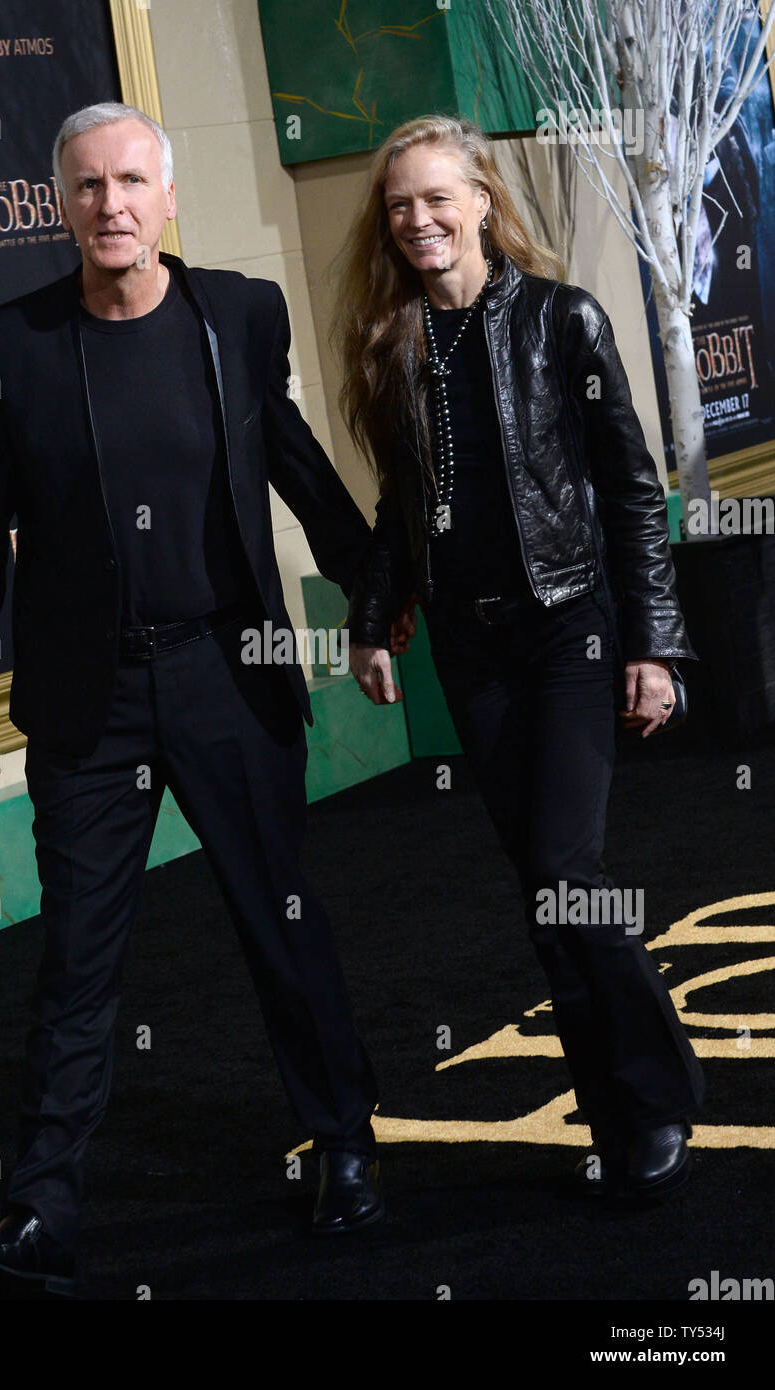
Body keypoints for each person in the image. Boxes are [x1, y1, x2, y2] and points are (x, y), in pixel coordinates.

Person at [0, 102, 383, 1296]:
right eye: (88, 185)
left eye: (132, 181)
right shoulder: (9, 344)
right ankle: (42, 1205)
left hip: (226, 673)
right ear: (61, 204)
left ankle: (344, 1145)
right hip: (90, 700)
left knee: (281, 921)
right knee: (77, 955)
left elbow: (293, 463)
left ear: (167, 198)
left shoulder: (237, 313)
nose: (111, 204)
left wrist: (374, 597)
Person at [338, 114, 705, 1200]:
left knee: (565, 868)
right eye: (400, 205)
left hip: (570, 630)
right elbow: (400, 505)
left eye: (436, 198)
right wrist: (373, 614)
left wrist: (655, 647)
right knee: (542, 889)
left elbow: (631, 490)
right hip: (473, 647)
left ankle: (660, 1092)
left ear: (482, 200)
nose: (418, 221)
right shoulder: (393, 344)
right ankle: (611, 1111)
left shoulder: (563, 319)